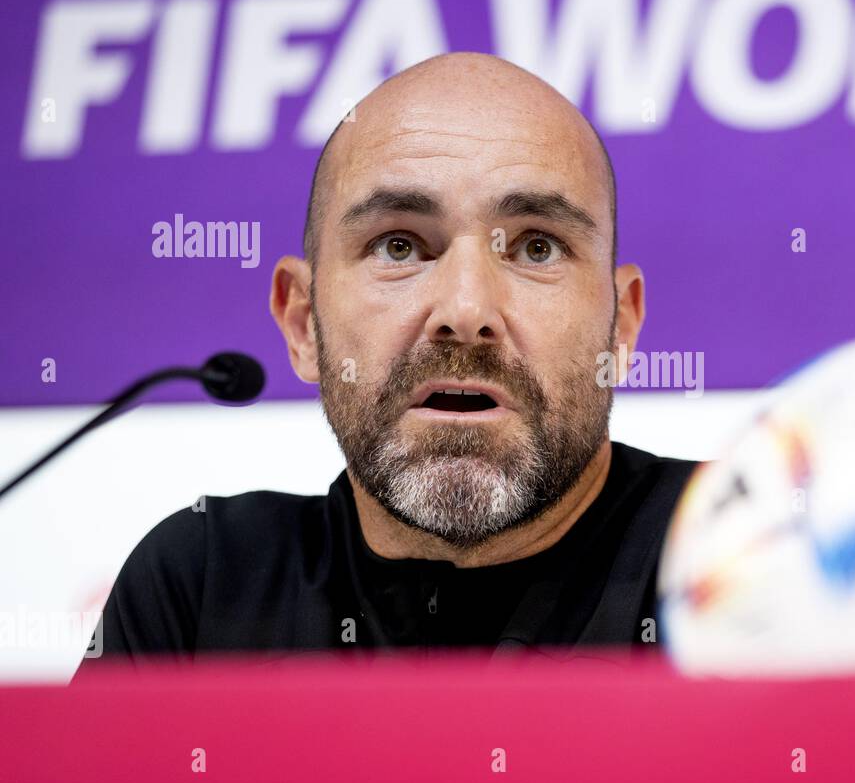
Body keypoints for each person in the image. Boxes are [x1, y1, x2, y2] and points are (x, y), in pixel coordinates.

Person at [75, 52, 695, 673]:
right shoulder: (202, 590)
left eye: (537, 247)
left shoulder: (744, 550)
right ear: (302, 324)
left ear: (621, 326)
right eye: (399, 245)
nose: (466, 308)